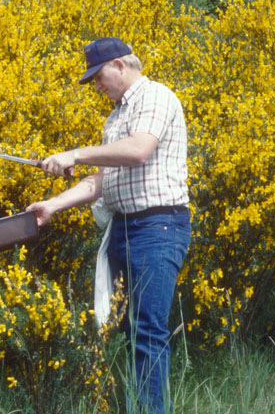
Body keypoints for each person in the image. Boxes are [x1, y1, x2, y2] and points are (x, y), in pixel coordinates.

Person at [26, 37, 190, 413]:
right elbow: (103, 180)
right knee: (131, 333)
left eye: (98, 77)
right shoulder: (115, 117)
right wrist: (53, 205)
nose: (97, 86)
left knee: (147, 331)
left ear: (119, 65)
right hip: (124, 229)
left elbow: (138, 150)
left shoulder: (154, 96)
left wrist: (76, 154)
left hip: (158, 226)